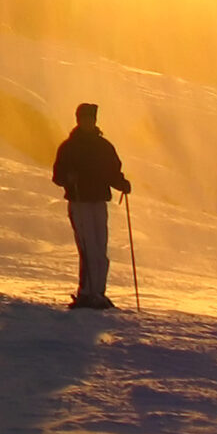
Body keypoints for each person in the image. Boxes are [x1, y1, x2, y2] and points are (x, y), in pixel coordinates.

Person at [51, 102, 131, 309]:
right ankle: (87, 293)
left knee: (100, 248)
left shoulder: (104, 147)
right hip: (80, 202)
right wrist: (68, 178)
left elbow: (113, 173)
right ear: (78, 120)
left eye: (90, 118)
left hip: (98, 201)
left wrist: (122, 183)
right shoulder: (69, 147)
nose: (87, 122)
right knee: (88, 248)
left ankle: (98, 293)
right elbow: (57, 175)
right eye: (84, 118)